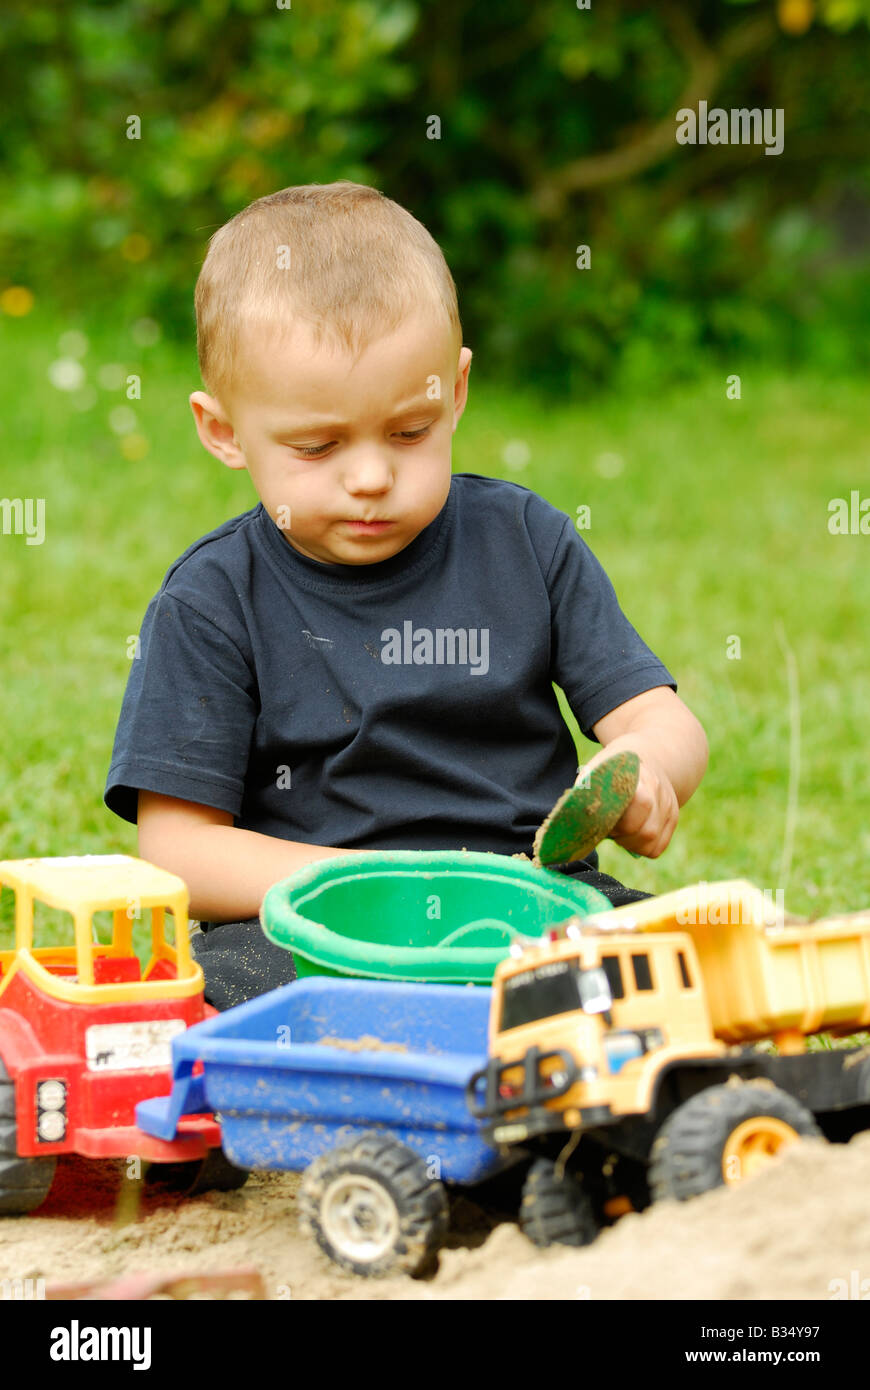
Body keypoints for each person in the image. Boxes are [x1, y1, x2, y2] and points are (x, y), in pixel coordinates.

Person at [104, 182, 708, 1010]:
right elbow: (178, 853)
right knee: (217, 993)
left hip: (530, 915)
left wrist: (643, 771)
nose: (370, 477)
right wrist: (382, 887)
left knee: (699, 962)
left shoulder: (526, 542)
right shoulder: (212, 600)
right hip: (314, 938)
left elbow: (661, 718)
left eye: (409, 433)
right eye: (317, 447)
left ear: (455, 390)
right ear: (222, 431)